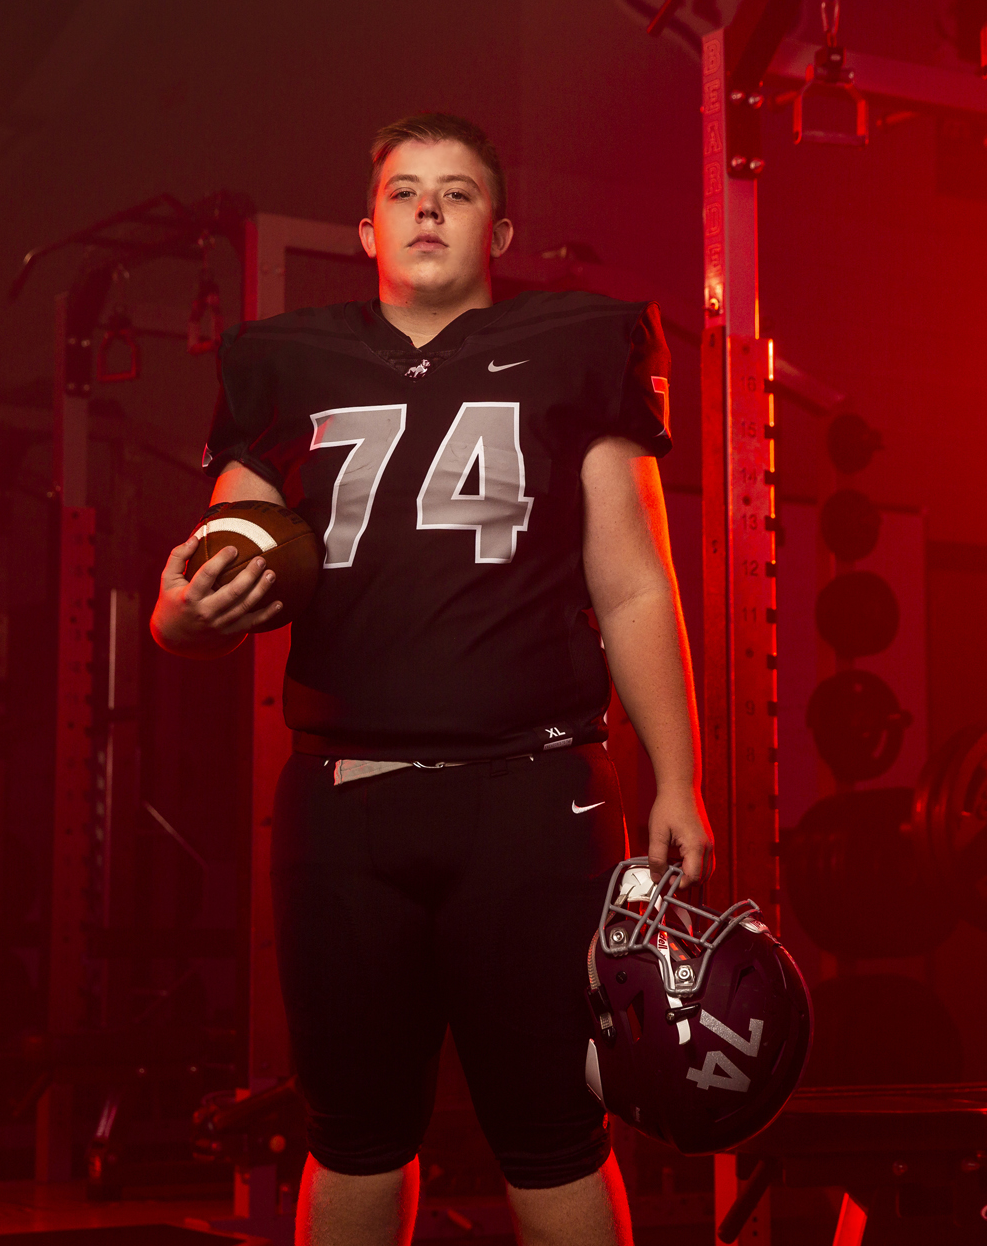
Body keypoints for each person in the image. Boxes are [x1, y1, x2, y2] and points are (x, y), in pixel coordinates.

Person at [151, 111, 711, 1246]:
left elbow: (636, 582)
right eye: (406, 191)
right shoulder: (288, 361)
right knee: (353, 1129)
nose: (428, 208)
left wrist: (678, 778)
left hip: (532, 793)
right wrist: (177, 611)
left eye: (456, 193)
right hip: (345, 797)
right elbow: (223, 572)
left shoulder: (579, 345)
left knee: (555, 1126)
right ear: (366, 228)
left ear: (498, 229)